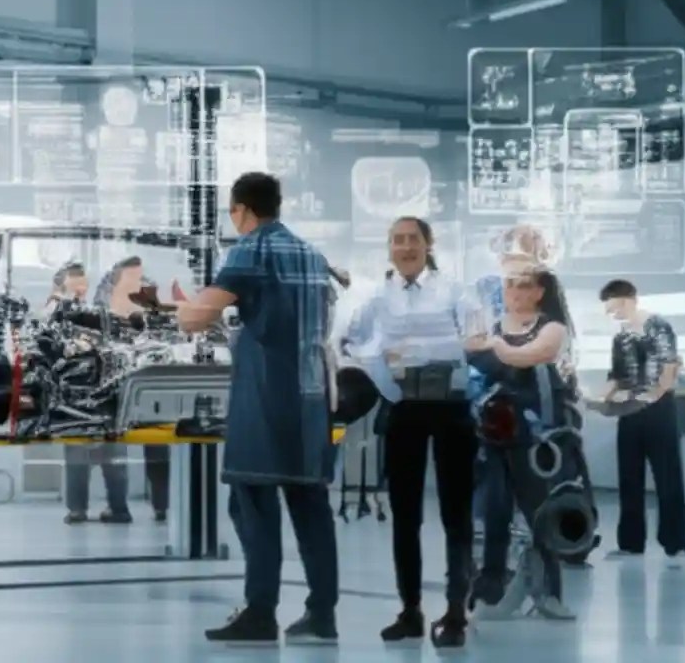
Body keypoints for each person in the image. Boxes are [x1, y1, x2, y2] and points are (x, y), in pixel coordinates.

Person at [183, 172, 339, 645]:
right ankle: (321, 614)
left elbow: (195, 317)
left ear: (243, 211)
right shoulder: (313, 255)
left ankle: (260, 612)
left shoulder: (251, 249)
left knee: (253, 503)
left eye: (233, 212)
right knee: (311, 505)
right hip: (311, 398)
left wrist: (176, 307)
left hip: (266, 398)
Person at [340, 216, 481, 649]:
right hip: (403, 409)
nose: (405, 247)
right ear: (389, 248)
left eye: (412, 239)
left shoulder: (456, 290)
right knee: (405, 515)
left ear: (428, 244)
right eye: (397, 240)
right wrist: (378, 356)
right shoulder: (377, 297)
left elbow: (477, 340)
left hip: (452, 408)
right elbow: (349, 341)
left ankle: (457, 612)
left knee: (456, 515)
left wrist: (417, 350)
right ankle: (410, 609)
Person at [467, 265, 579, 620]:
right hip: (494, 434)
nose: (515, 292)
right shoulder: (493, 326)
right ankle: (491, 585)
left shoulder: (552, 328)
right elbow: (467, 352)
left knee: (540, 514)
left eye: (523, 286)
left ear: (539, 291)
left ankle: (550, 592)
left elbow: (533, 355)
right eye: (510, 285)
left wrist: (495, 347)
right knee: (494, 510)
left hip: (539, 440)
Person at [599, 278, 685, 561]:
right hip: (629, 412)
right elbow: (616, 375)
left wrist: (649, 398)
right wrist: (602, 398)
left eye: (614, 309)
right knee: (629, 476)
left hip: (658, 410)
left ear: (628, 300)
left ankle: (673, 542)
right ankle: (631, 542)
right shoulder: (621, 337)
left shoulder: (658, 326)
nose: (613, 315)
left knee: (667, 477)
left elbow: (669, 368)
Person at [59, 259, 132, 524]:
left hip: (82, 391)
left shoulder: (69, 310)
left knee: (82, 456)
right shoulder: (105, 309)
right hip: (104, 390)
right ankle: (118, 508)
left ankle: (80, 509)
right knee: (112, 457)